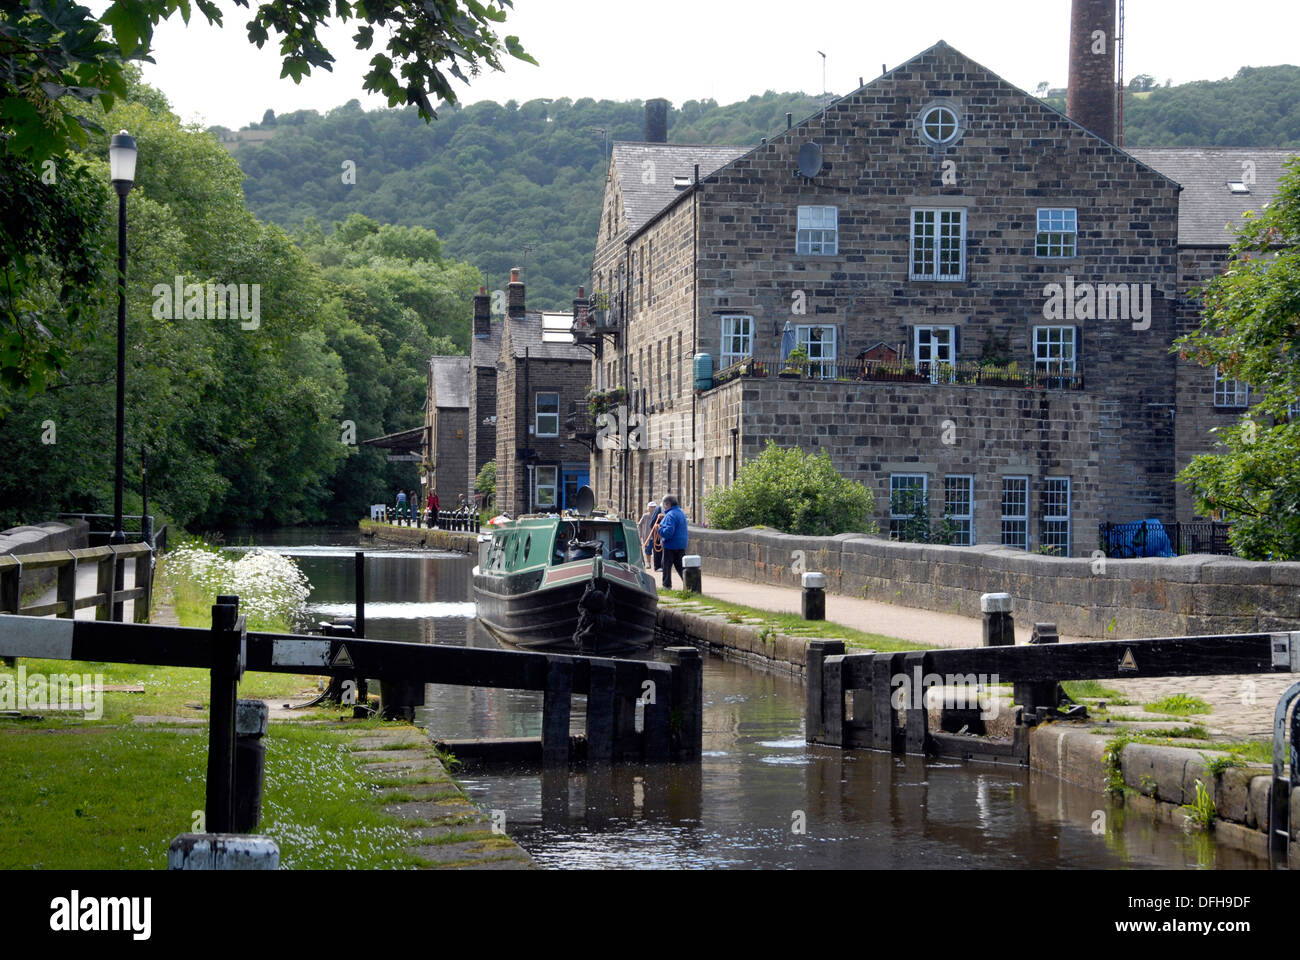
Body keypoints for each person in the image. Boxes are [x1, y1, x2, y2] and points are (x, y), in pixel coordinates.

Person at [656, 494, 688, 589]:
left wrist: (659, 530)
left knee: (666, 566)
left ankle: (666, 585)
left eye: (664, 505)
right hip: (681, 544)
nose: (664, 507)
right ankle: (689, 584)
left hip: (670, 545)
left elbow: (669, 532)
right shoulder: (681, 512)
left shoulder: (670, 515)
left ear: (668, 504)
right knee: (681, 566)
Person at [637, 500, 662, 571]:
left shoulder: (658, 515)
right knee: (648, 550)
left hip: (655, 535)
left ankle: (656, 564)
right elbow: (639, 525)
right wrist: (640, 534)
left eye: (654, 507)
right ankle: (648, 563)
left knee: (656, 550)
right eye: (651, 507)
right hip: (647, 535)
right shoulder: (645, 516)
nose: (653, 508)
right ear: (648, 508)